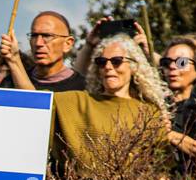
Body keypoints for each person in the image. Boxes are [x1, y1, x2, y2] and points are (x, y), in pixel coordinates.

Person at [46, 36, 168, 171]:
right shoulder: (79, 101)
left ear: (133, 66)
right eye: (102, 62)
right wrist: (16, 61)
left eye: (116, 61)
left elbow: (160, 169)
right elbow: (34, 102)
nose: (108, 67)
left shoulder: (149, 112)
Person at [159, 35, 196, 167]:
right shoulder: (158, 107)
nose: (172, 67)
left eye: (181, 62)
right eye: (166, 63)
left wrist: (168, 134)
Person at [0, 11, 88, 92]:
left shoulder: (82, 88)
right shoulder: (10, 83)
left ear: (67, 44)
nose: (38, 43)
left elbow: (34, 107)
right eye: (34, 35)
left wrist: (15, 61)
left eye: (47, 36)